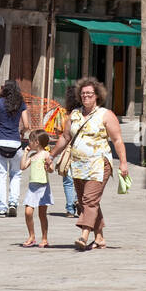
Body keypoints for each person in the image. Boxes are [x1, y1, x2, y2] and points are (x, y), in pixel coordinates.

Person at [48, 76, 129, 251]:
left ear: (97, 96)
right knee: (86, 202)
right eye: (83, 94)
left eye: (90, 94)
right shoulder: (74, 115)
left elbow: (117, 140)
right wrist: (52, 155)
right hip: (77, 166)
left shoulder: (106, 115)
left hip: (99, 165)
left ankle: (84, 236)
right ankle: (99, 238)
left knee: (89, 200)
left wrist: (123, 163)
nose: (86, 97)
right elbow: (65, 137)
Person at [0, 80, 29, 216]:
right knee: (16, 174)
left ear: (4, 89)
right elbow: (27, 125)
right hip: (16, 143)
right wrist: (22, 132)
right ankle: (13, 203)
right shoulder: (20, 104)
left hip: (0, 141)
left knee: (0, 176)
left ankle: (2, 208)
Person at [47, 85, 80, 216]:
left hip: (66, 150)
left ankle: (70, 209)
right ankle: (78, 200)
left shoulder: (62, 113)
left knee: (68, 180)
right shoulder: (83, 114)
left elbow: (57, 133)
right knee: (80, 179)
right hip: (81, 149)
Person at [20, 129, 53, 247]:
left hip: (43, 187)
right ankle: (31, 236)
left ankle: (44, 238)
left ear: (37, 142)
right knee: (28, 212)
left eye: (31, 140)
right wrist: (25, 153)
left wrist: (48, 166)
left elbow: (51, 169)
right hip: (32, 188)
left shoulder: (46, 154)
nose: (29, 142)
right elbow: (23, 166)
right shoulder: (33, 156)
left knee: (42, 214)